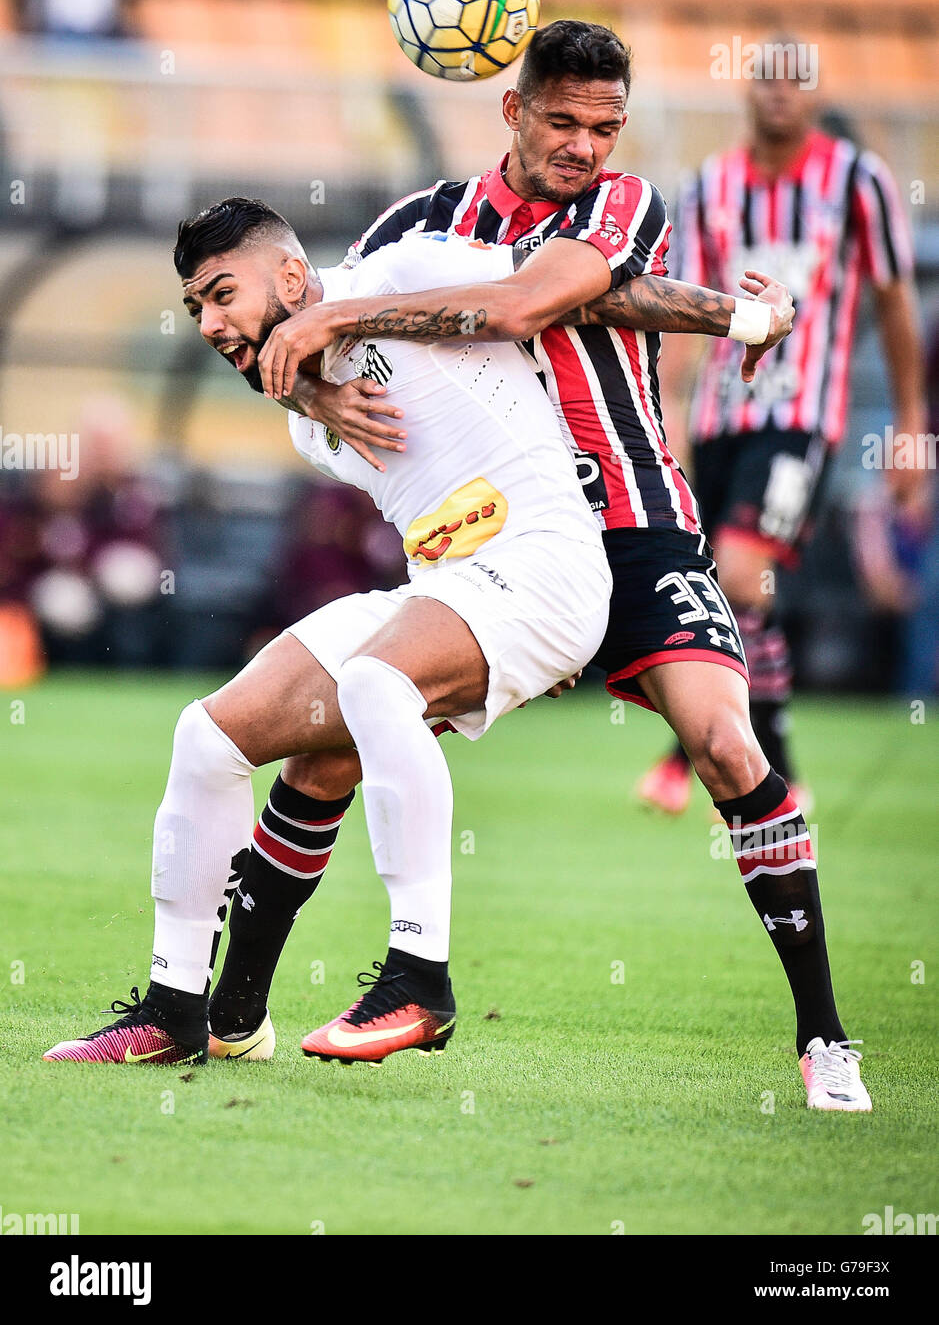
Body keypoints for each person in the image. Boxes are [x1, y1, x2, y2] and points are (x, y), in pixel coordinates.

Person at [237, 21, 871, 1110]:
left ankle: (826, 1040)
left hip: (631, 526)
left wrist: (346, 314)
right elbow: (289, 332)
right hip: (490, 546)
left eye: (606, 127)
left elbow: (527, 302)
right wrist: (316, 388)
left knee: (726, 741)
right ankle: (228, 1010)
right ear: (512, 111)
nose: (586, 146)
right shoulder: (424, 221)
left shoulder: (620, 208)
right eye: (565, 122)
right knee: (330, 746)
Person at [42, 197, 613, 1067]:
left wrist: (740, 314)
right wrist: (308, 387)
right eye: (195, 305)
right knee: (208, 737)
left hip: (548, 568)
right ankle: (178, 1010)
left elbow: (565, 291)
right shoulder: (312, 423)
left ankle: (420, 977)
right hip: (455, 589)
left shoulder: (405, 271)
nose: (207, 322)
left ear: (294, 276)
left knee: (375, 682)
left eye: (222, 294)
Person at [635, 39, 926, 816]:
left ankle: (772, 768)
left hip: (802, 419)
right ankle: (703, 752)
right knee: (737, 589)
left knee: (736, 573)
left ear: (812, 92)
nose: (777, 94)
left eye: (793, 82)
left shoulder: (855, 180)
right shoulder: (708, 188)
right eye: (765, 79)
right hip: (719, 417)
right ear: (746, 91)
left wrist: (909, 420)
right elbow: (683, 307)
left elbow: (894, 299)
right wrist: (663, 411)